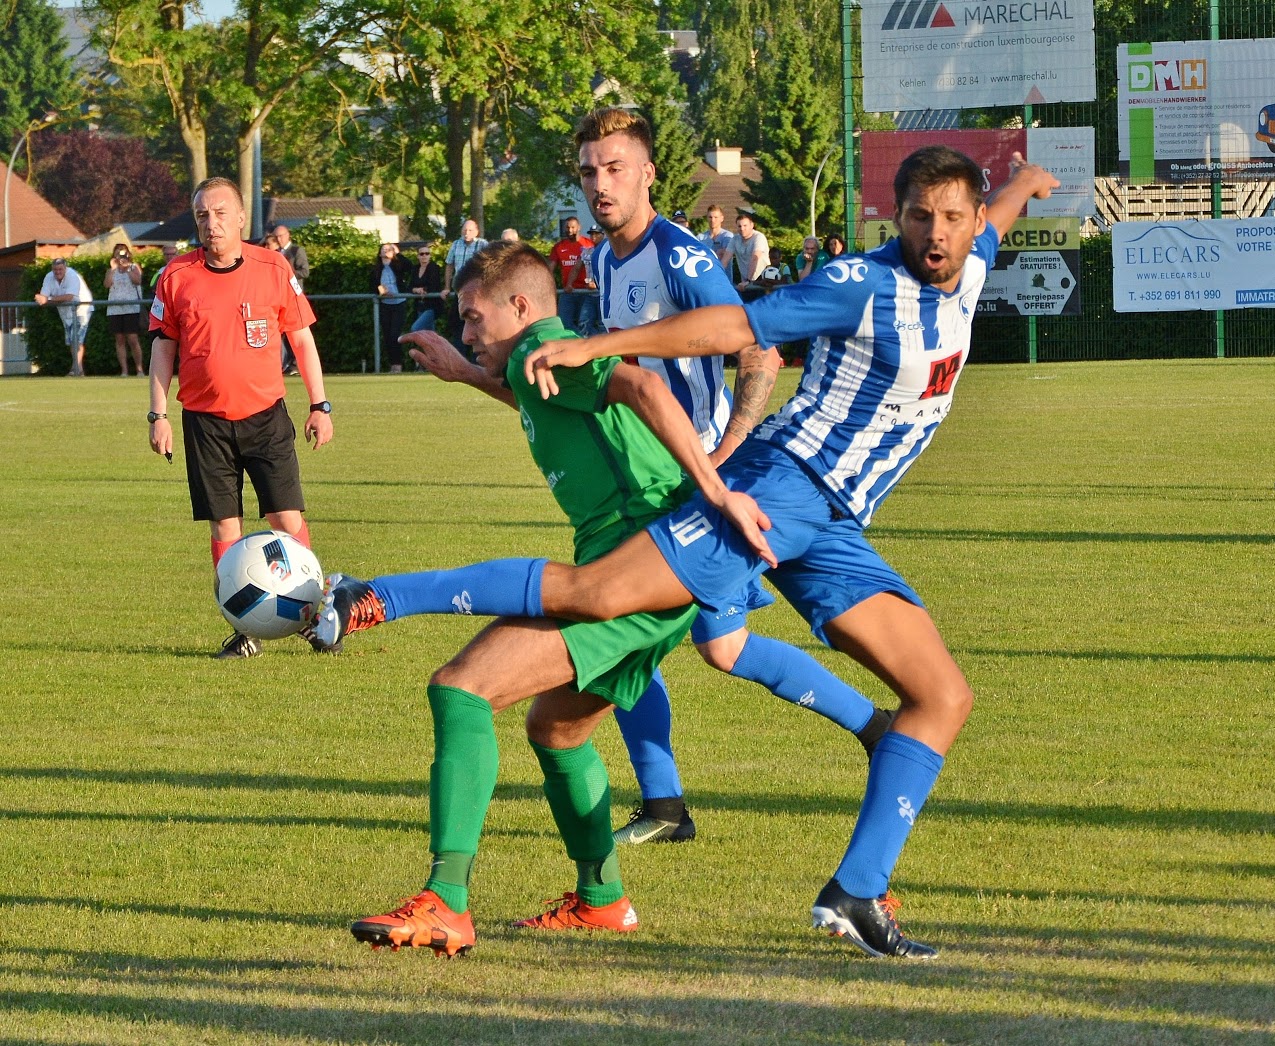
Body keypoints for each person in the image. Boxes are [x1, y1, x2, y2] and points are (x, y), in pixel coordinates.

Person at [324, 145, 1059, 959]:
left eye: (953, 217)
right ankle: (382, 600)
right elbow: (737, 328)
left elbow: (993, 220)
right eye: (919, 216)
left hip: (837, 520)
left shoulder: (970, 261)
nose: (937, 232)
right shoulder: (863, 283)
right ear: (896, 215)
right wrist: (601, 346)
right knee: (608, 608)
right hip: (782, 484)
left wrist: (1025, 181)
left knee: (942, 696)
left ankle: (857, 889)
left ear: (972, 220)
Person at [325, 106, 888, 850]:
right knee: (656, 641)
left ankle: (866, 731)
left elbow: (757, 352)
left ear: (648, 172)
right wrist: (471, 375)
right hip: (647, 482)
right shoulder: (605, 261)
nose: (600, 184)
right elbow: (571, 394)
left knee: (695, 640)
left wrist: (722, 463)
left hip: (688, 487)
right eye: (589, 171)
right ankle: (670, 800)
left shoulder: (680, 257)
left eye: (615, 168)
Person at [340, 242, 773, 955]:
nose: (467, 333)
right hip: (659, 567)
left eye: (473, 318)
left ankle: (445, 901)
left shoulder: (538, 347)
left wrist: (716, 488)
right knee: (558, 730)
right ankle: (602, 900)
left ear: (520, 308)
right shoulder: (536, 362)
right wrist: (465, 373)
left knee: (461, 689)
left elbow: (643, 387)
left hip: (640, 566)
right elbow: (553, 396)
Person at [146, 177, 335, 659]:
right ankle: (244, 630)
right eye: (202, 215)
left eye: (220, 213)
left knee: (287, 520)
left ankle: (313, 618)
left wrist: (319, 405)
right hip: (204, 422)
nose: (211, 223)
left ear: (241, 217)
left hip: (266, 416)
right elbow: (163, 347)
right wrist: (158, 414)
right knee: (224, 529)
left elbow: (302, 339)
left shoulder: (273, 267)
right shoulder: (175, 275)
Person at [35, 257, 93, 376]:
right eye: (55, 270)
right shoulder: (49, 277)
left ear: (65, 268)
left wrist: (47, 299)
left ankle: (76, 369)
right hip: (65, 312)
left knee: (77, 339)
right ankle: (78, 370)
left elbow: (69, 296)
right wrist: (42, 299)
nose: (58, 272)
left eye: (60, 269)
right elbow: (43, 297)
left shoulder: (72, 276)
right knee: (72, 341)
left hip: (81, 309)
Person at [269, 225, 310, 376]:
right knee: (277, 335)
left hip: (293, 297)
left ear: (288, 235)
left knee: (296, 335)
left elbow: (304, 271)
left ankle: (295, 365)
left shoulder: (296, 251)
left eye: (280, 236)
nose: (278, 239)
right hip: (277, 298)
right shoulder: (273, 253)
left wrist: (286, 273)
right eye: (276, 237)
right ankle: (280, 364)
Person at [443, 218, 489, 353]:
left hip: (476, 292)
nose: (466, 233)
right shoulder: (456, 244)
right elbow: (449, 265)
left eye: (470, 230)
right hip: (459, 291)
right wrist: (447, 286)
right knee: (457, 323)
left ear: (476, 232)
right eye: (464, 230)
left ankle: (478, 357)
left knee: (477, 321)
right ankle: (460, 356)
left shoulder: (483, 245)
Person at [104, 244, 146, 377]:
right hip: (115, 309)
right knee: (119, 339)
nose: (120, 257)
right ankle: (124, 371)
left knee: (133, 339)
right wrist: (113, 269)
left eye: (123, 254)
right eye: (118, 254)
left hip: (131, 308)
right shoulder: (111, 270)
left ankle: (139, 369)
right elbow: (107, 284)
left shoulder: (134, 267)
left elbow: (138, 281)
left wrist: (127, 268)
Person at [548, 216, 593, 336]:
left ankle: (587, 343)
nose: (570, 230)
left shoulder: (588, 244)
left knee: (585, 324)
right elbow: (550, 269)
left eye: (573, 227)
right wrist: (548, 285)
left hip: (586, 292)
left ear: (579, 227)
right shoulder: (559, 247)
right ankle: (579, 341)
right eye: (567, 227)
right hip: (568, 291)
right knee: (564, 323)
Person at [372, 243, 412, 372]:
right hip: (385, 304)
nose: (386, 251)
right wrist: (381, 292)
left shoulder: (397, 265)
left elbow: (409, 266)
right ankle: (392, 364)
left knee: (395, 334)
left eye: (389, 249)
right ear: (379, 253)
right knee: (387, 336)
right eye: (383, 249)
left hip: (399, 303)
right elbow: (372, 285)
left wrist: (398, 253)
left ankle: (398, 365)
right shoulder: (377, 269)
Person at [730, 210, 769, 293]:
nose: (742, 229)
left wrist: (748, 280)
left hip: (762, 282)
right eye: (739, 226)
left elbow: (755, 258)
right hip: (745, 283)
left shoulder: (759, 237)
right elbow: (725, 260)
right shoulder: (735, 239)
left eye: (745, 225)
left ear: (752, 225)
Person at [409, 244, 444, 335]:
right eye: (422, 254)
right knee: (429, 334)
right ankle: (436, 345)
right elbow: (409, 286)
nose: (424, 256)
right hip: (419, 306)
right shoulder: (415, 269)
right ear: (418, 256)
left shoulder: (434, 267)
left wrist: (423, 289)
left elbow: (434, 285)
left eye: (427, 253)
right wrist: (416, 290)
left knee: (416, 328)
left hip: (431, 306)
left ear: (430, 255)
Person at [699, 204, 735, 275]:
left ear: (722, 218)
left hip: (724, 277)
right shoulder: (700, 237)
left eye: (716, 217)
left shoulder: (727, 236)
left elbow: (726, 254)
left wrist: (706, 255)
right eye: (710, 217)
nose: (712, 220)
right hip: (706, 276)